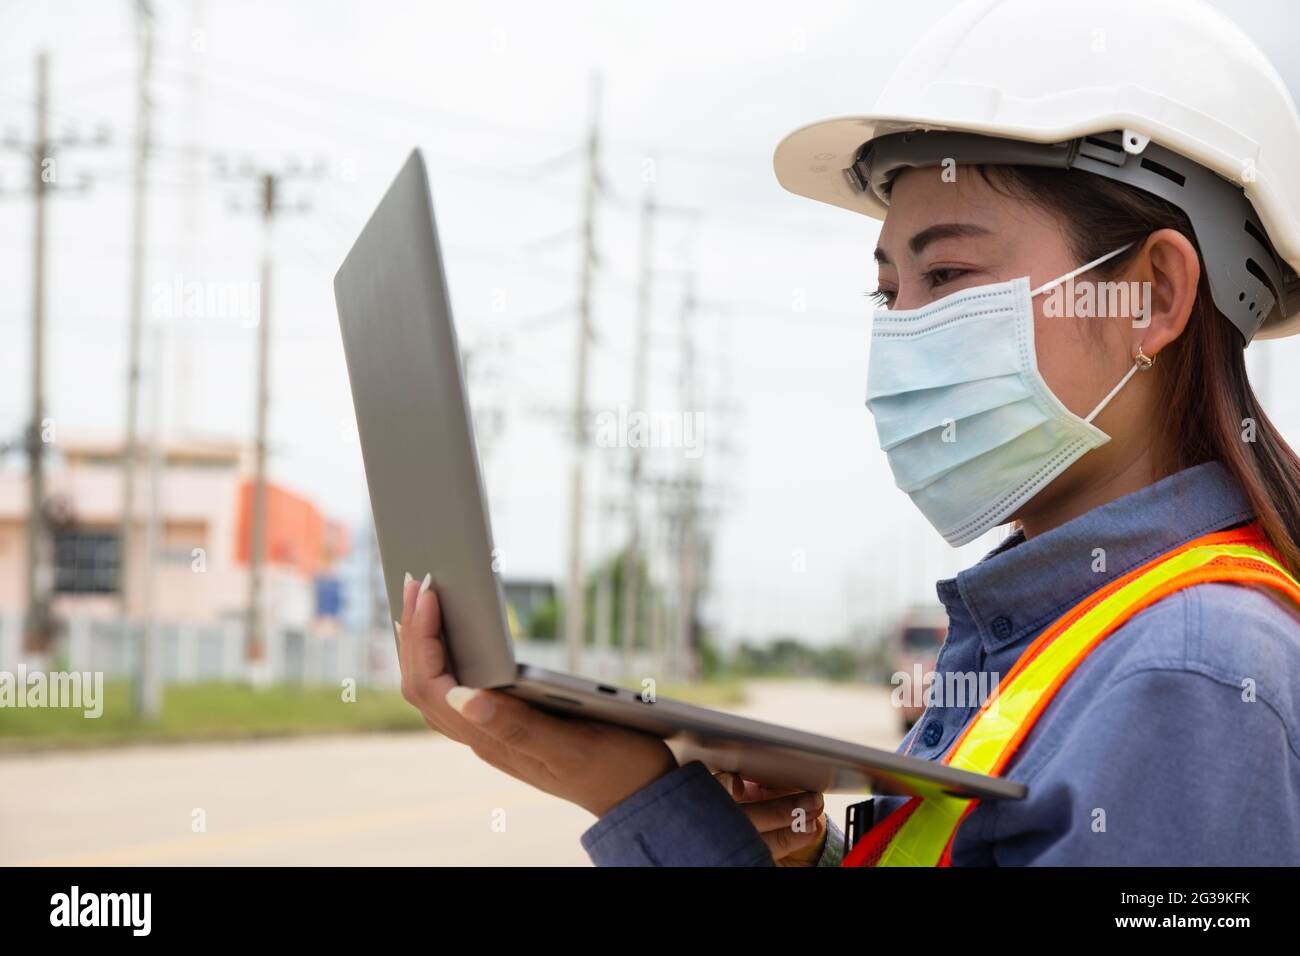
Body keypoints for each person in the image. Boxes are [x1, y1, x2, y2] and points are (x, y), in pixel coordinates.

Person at [396, 0, 1300, 866]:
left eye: (945, 273)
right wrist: (811, 853)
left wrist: (646, 807)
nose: (902, 329)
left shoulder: (1194, 678)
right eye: (887, 291)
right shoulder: (1073, 627)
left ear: (1152, 296)